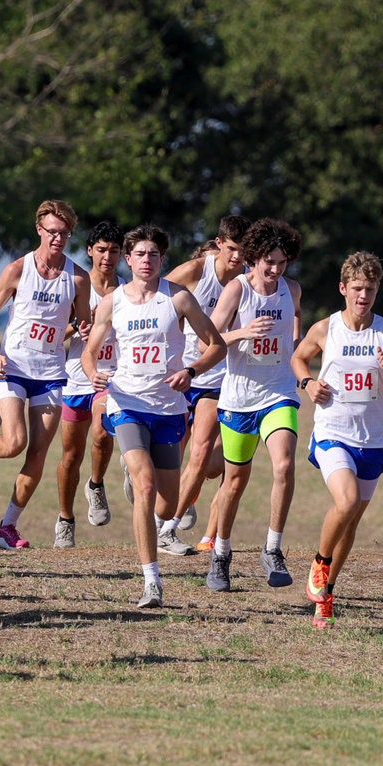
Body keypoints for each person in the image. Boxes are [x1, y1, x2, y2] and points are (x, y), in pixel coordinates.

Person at [82, 224, 226, 607]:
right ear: (128, 260)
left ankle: (139, 470)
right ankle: (151, 582)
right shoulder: (113, 302)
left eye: (154, 255)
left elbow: (217, 345)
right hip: (126, 401)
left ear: (163, 260)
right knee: (145, 488)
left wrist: (192, 371)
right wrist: (93, 371)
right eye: (140, 255)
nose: (147, 261)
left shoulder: (178, 298)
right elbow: (89, 351)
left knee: (167, 502)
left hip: (169, 409)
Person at [291, 252, 383, 628]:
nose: (364, 295)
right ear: (343, 289)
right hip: (333, 432)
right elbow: (298, 359)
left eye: (371, 288)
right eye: (358, 288)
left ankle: (326, 595)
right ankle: (319, 564)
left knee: (350, 523)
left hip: (373, 440)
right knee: (345, 501)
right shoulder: (326, 328)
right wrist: (308, 383)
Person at [0, 200, 91, 550]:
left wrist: (84, 330)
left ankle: (8, 527)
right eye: (52, 232)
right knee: (14, 443)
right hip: (13, 367)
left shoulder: (78, 278)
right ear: (39, 230)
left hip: (51, 373)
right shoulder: (17, 270)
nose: (58, 239)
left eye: (65, 234)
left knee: (38, 453)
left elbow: (81, 324)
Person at [204, 218, 303, 593]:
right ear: (253, 258)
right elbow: (207, 341)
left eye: (282, 262)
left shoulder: (291, 290)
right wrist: (243, 332)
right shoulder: (237, 290)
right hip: (238, 398)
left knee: (284, 465)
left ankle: (273, 549)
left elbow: (295, 330)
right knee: (234, 482)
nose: (275, 269)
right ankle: (221, 554)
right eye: (269, 262)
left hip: (278, 392)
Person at [162, 216, 249, 554]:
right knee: (174, 453)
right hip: (181, 373)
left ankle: (168, 527)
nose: (238, 257)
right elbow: (153, 297)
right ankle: (161, 493)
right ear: (218, 243)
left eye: (244, 251)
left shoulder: (247, 282)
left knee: (200, 455)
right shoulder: (196, 272)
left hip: (218, 379)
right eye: (232, 249)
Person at [53, 221, 123, 548]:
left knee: (101, 431)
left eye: (114, 250)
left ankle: (96, 485)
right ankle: (65, 519)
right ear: (90, 251)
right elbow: (56, 332)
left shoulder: (127, 290)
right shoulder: (77, 285)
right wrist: (78, 328)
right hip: (75, 379)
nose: (108, 256)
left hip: (109, 377)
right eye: (102, 250)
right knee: (70, 456)